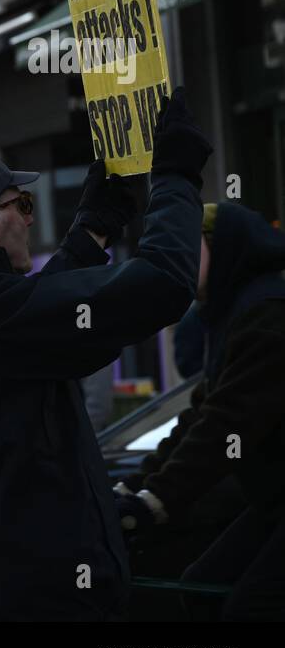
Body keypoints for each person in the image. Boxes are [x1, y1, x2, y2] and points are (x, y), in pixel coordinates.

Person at [0, 88, 211, 621]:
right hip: (35, 595)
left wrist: (92, 231)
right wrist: (176, 177)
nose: (29, 218)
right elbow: (161, 285)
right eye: (20, 205)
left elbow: (36, 330)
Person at [115, 201, 285, 620]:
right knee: (200, 587)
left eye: (187, 249)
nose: (177, 261)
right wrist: (134, 487)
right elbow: (198, 415)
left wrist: (155, 501)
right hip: (272, 501)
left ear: (220, 246)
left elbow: (225, 424)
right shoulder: (230, 312)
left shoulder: (266, 313)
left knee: (250, 607)